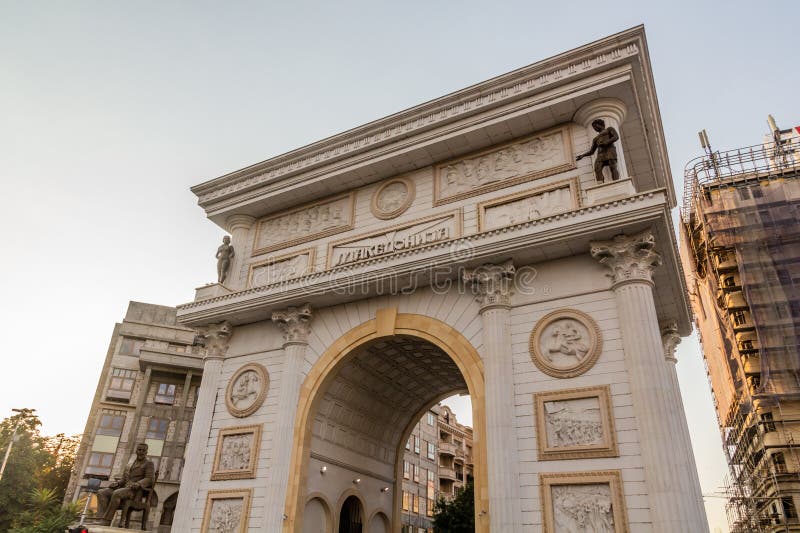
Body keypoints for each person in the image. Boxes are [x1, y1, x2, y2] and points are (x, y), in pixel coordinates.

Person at [96, 442, 155, 525]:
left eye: (143, 450)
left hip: (135, 492)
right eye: (139, 450)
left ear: (146, 452)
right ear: (136, 451)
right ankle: (100, 519)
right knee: (102, 492)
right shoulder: (130, 464)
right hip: (124, 489)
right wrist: (117, 483)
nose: (141, 452)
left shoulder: (149, 464)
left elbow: (150, 479)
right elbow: (124, 479)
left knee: (116, 493)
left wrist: (138, 483)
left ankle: (107, 520)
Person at [576, 119, 620, 183]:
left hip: (610, 150)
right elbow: (591, 151)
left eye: (595, 126)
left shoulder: (609, 129)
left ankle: (617, 182)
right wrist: (582, 155)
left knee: (613, 166)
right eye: (593, 127)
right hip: (600, 155)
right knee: (597, 168)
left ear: (600, 124)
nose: (594, 128)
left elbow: (616, 136)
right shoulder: (595, 139)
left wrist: (606, 142)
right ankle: (600, 184)